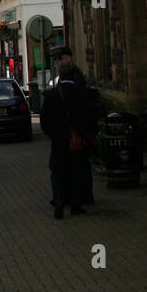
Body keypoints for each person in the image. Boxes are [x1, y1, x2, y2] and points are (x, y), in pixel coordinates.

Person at [39, 60, 97, 219]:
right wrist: (87, 133)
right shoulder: (82, 92)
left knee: (58, 171)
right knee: (77, 171)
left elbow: (44, 119)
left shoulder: (52, 95)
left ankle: (58, 200)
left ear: (60, 75)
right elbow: (91, 115)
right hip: (78, 138)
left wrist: (53, 134)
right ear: (73, 74)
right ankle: (76, 204)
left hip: (58, 140)